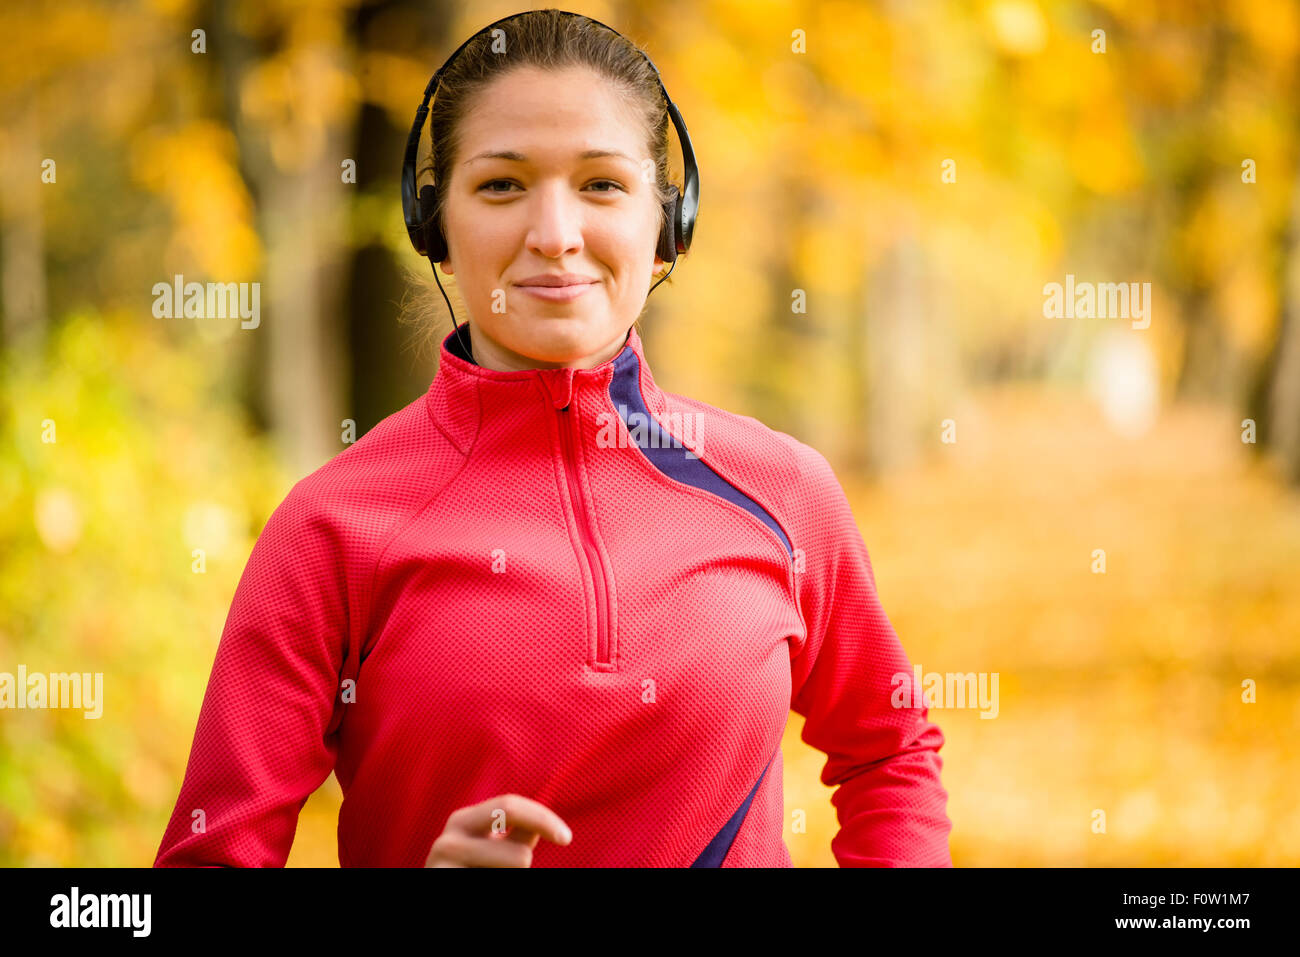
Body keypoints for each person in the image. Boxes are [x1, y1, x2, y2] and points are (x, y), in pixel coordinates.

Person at [154, 8, 952, 868]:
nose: (555, 234)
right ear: (437, 230)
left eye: (602, 184)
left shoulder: (781, 488)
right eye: (502, 185)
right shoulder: (330, 526)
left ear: (667, 226)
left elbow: (891, 749)